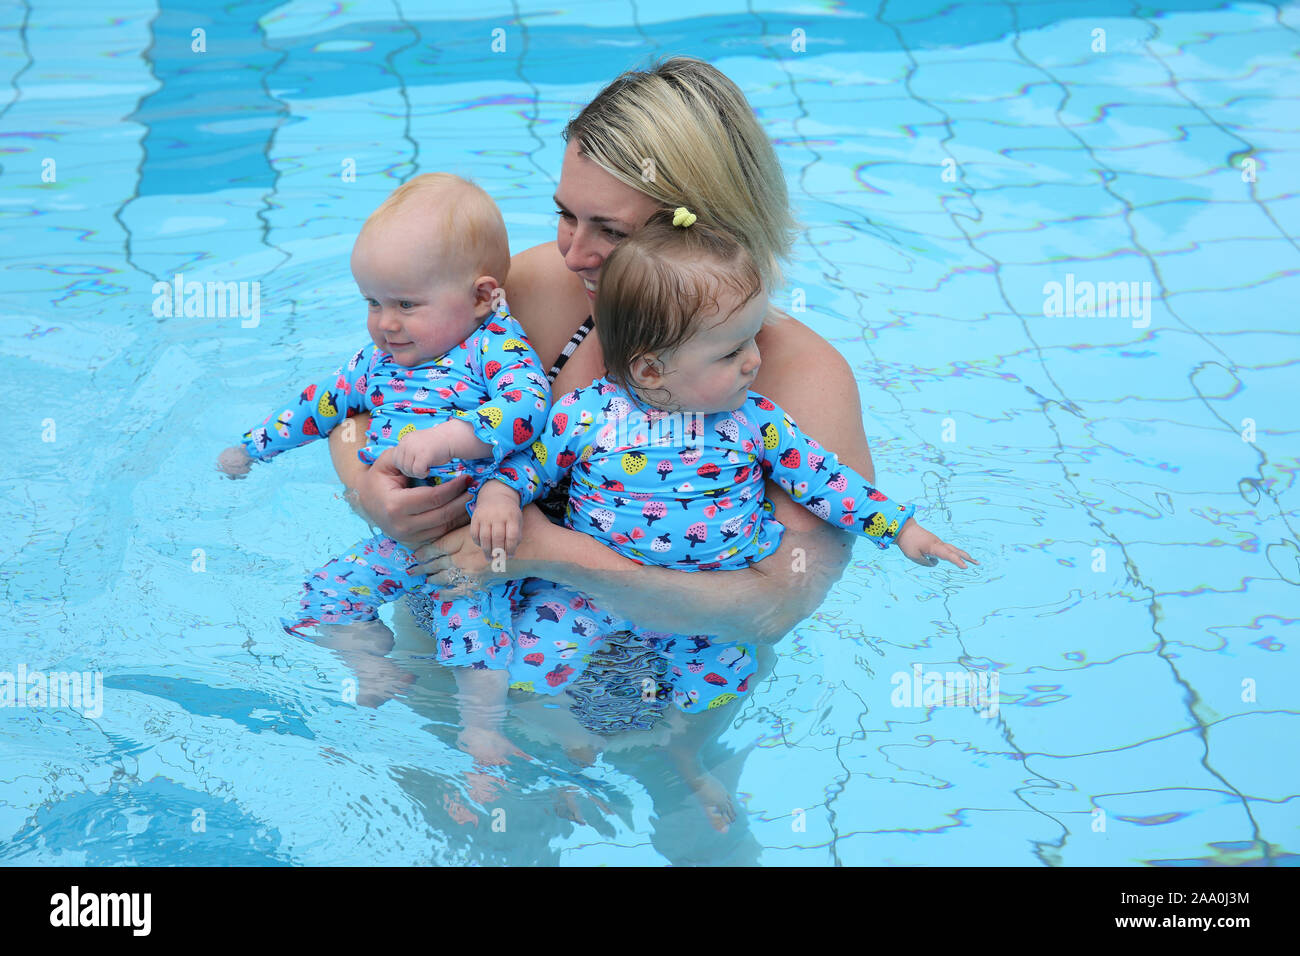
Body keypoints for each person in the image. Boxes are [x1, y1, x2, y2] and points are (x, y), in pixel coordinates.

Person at [327, 57, 971, 830]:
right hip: (467, 650)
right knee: (462, 834)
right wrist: (369, 488)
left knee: (700, 841)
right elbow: (360, 402)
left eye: (610, 230)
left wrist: (547, 553)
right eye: (566, 215)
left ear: (705, 228)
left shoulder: (795, 378)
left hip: (665, 698)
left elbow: (777, 604)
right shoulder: (540, 289)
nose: (573, 252)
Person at [469, 208, 971, 714]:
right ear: (650, 370)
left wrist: (900, 529)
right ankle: (554, 737)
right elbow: (531, 467)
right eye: (731, 353)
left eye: (752, 339)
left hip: (703, 609)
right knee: (528, 667)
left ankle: (682, 750)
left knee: (719, 688)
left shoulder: (757, 422)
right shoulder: (584, 415)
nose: (754, 360)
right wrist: (500, 494)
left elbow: (826, 481)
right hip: (586, 596)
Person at [218, 173, 548, 765]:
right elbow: (319, 405)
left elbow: (529, 406)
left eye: (405, 305)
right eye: (372, 302)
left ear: (481, 297)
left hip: (473, 542)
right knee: (323, 596)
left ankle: (481, 729)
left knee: (472, 628)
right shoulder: (378, 362)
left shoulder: (493, 347)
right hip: (402, 539)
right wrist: (253, 447)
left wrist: (451, 437)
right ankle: (372, 666)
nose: (385, 323)